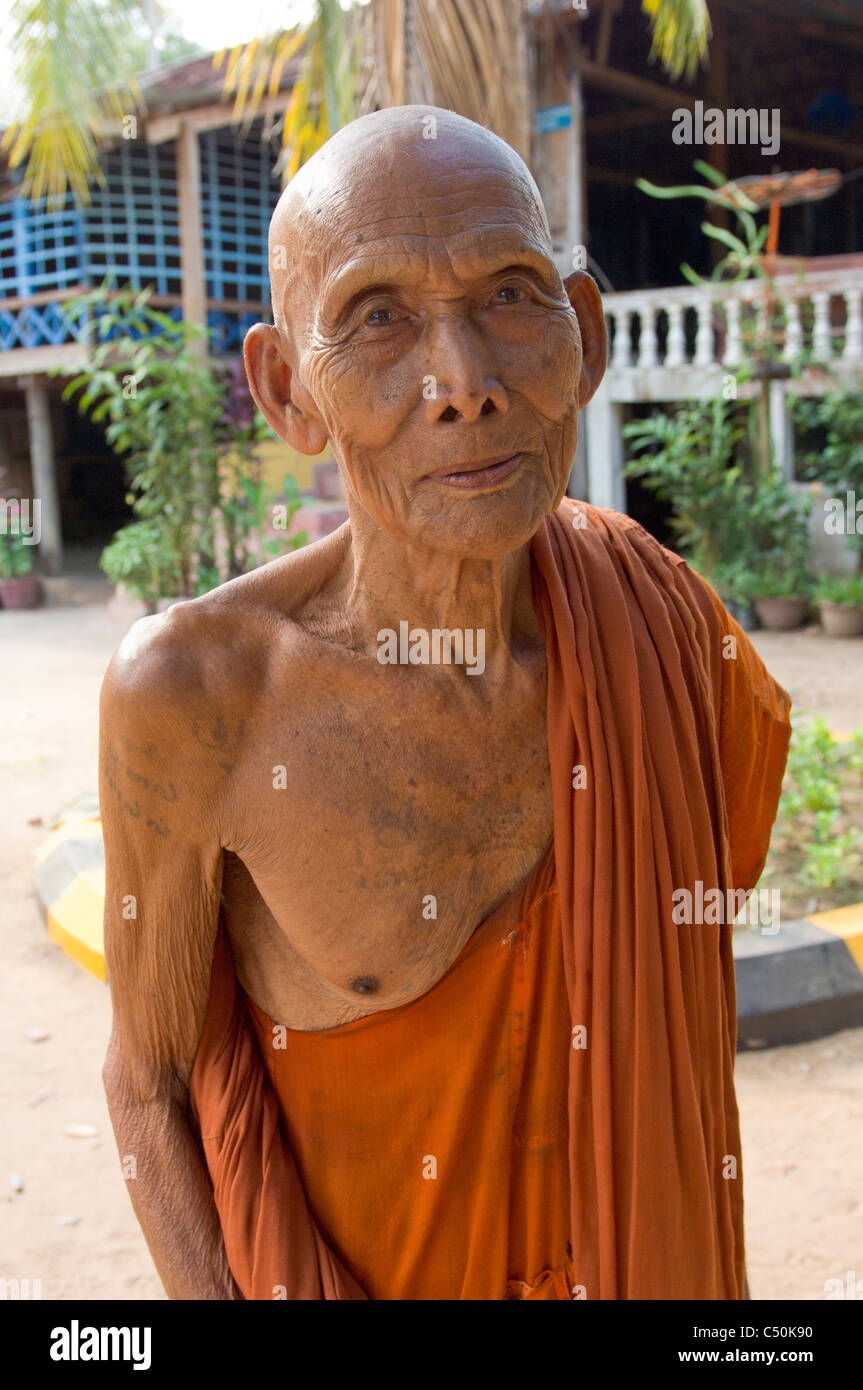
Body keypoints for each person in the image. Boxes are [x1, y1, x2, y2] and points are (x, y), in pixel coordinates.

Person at [100, 105, 790, 1300]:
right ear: (285, 390)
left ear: (580, 335)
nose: (462, 381)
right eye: (377, 320)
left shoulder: (667, 632)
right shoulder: (196, 695)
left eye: (510, 296)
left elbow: (672, 966)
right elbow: (147, 1080)